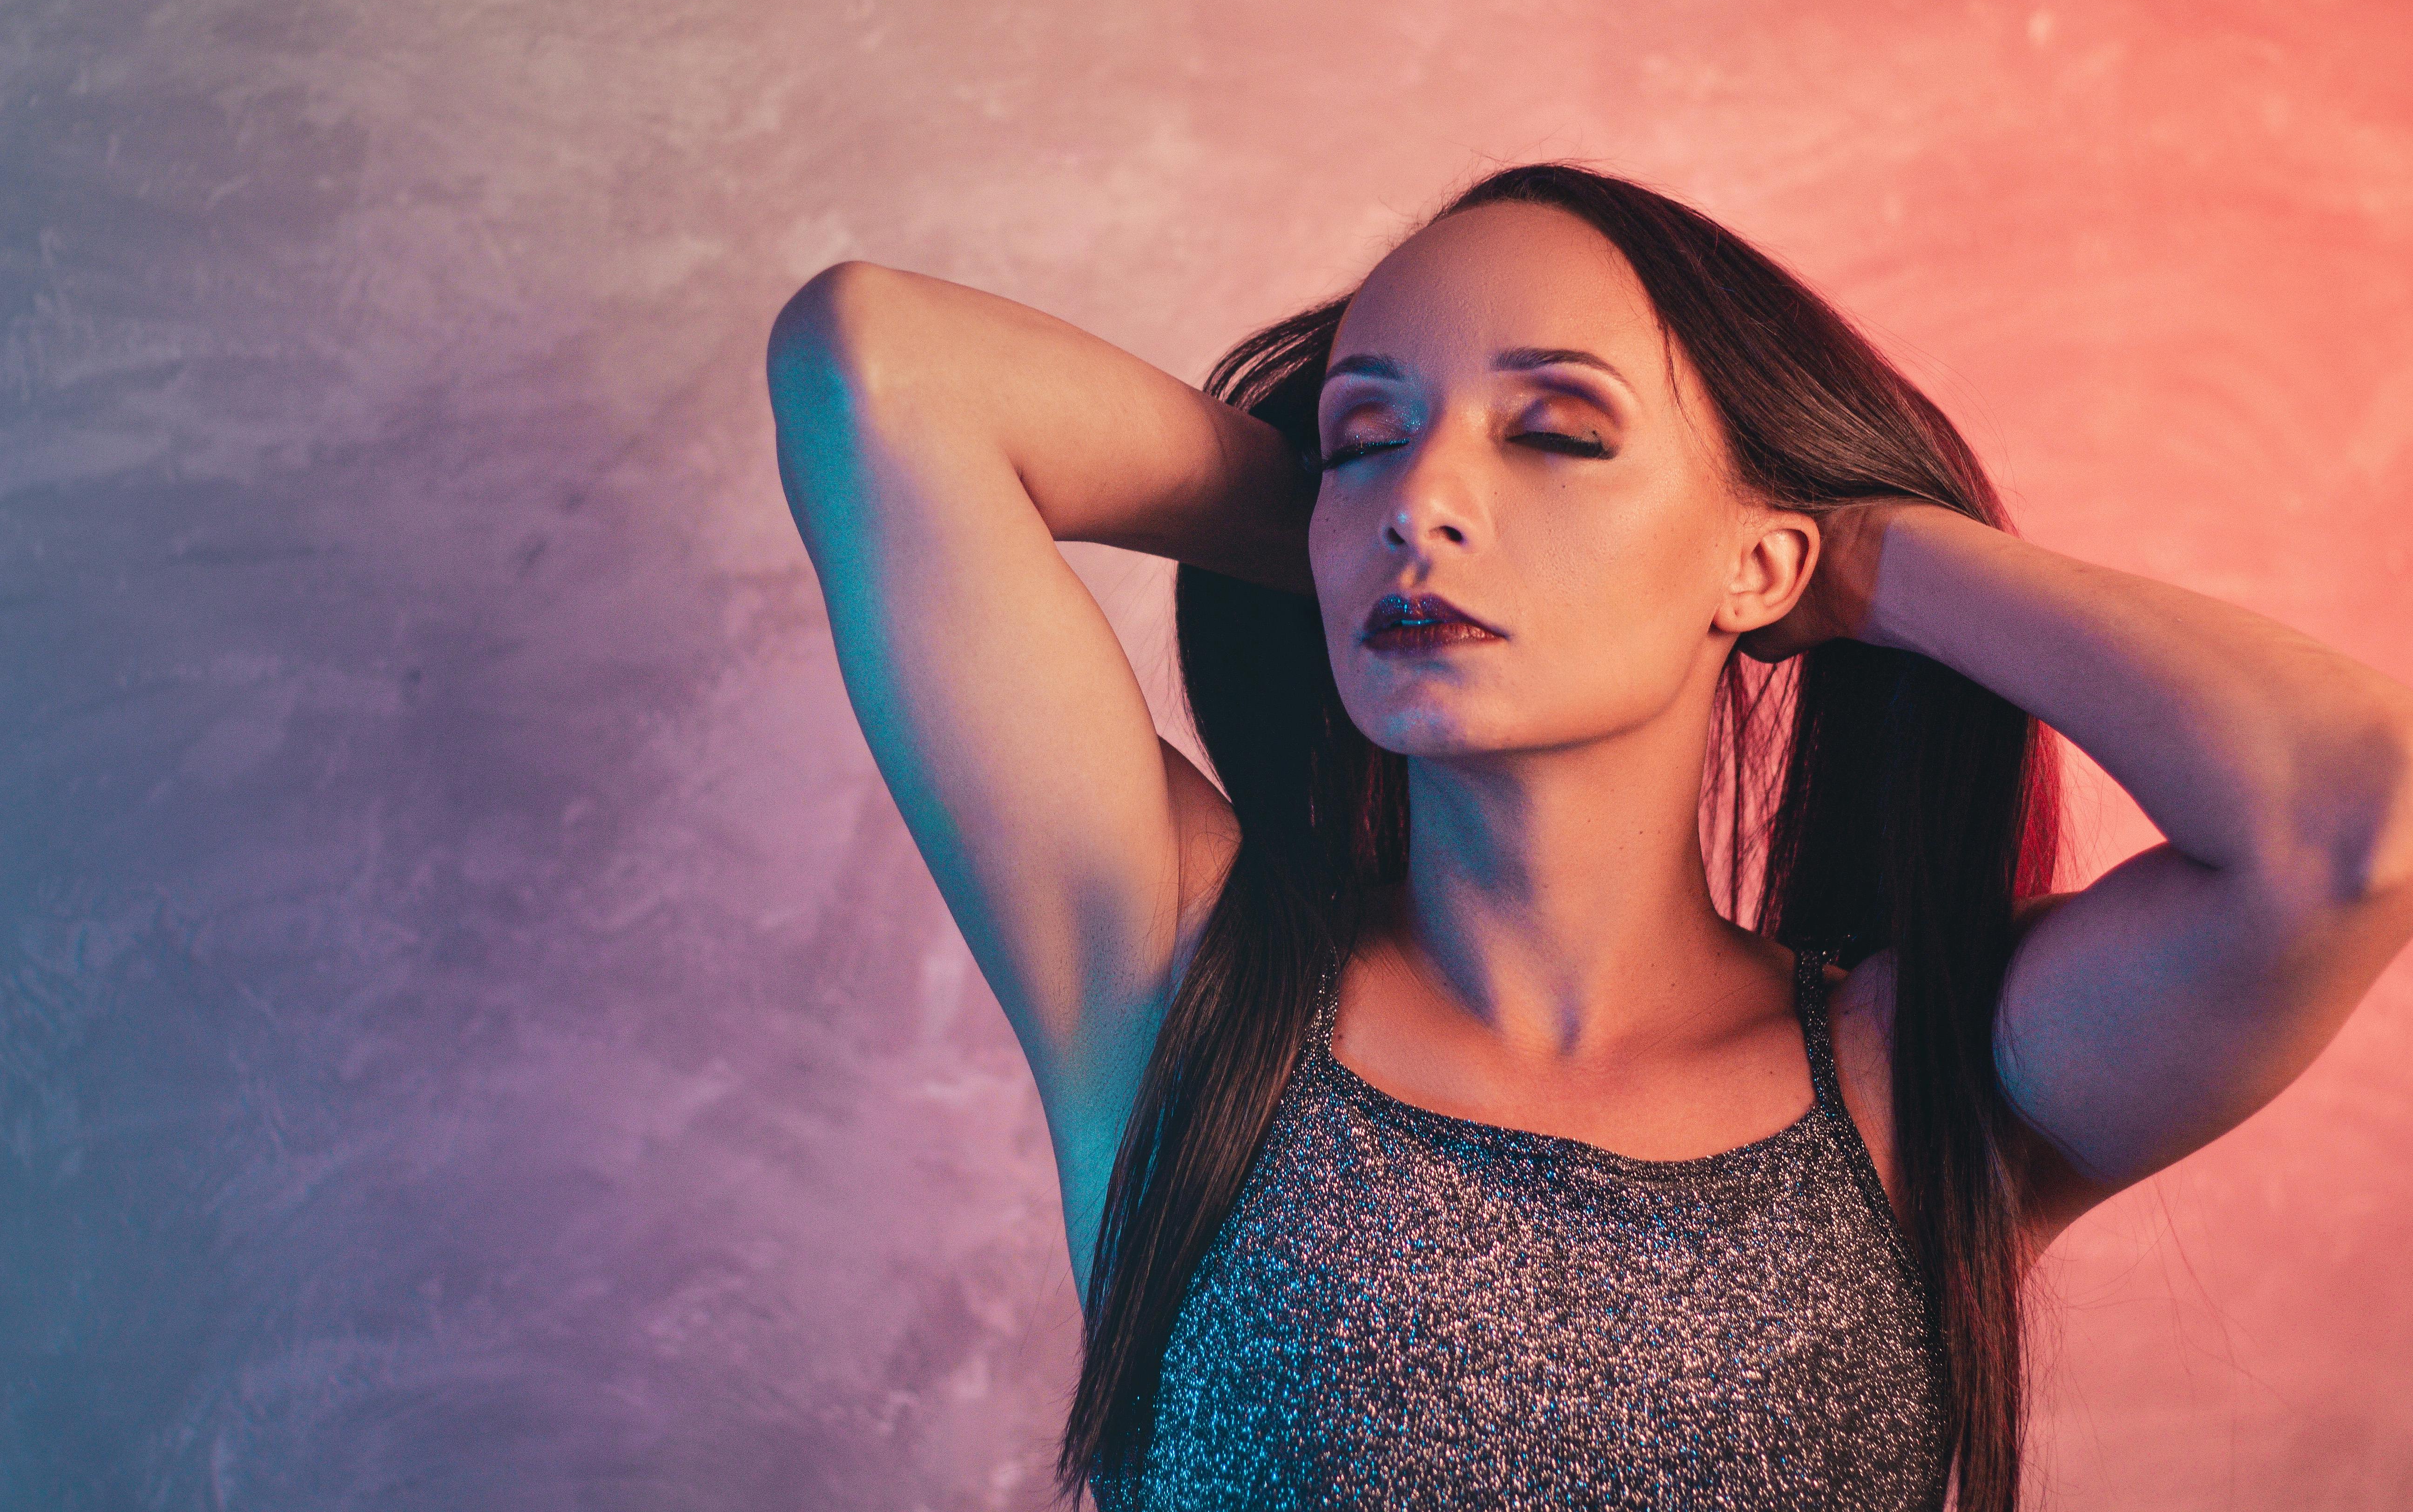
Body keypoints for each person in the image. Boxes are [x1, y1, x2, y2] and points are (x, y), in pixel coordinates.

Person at [764, 163, 2413, 1512]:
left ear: (1759, 568)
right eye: (1364, 436)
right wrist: (1385, 552)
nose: (1424, 499)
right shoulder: (1178, 978)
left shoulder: (1922, 1079)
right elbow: (879, 369)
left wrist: (1844, 564)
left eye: (1556, 435)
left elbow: (2357, 820)